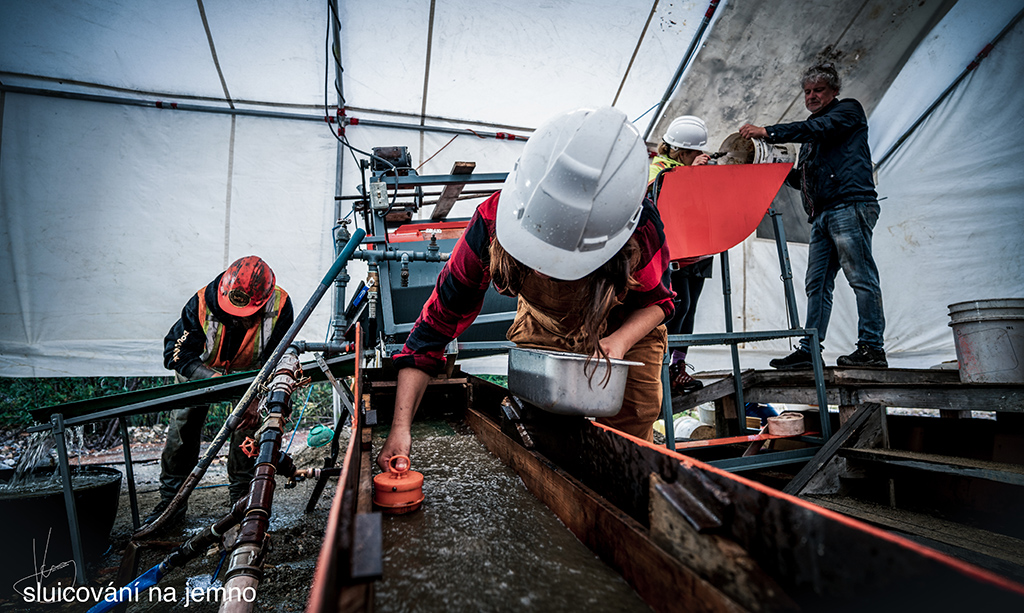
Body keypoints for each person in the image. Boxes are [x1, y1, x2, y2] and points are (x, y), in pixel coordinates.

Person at [377, 107, 675, 471]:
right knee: (545, 441)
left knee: (625, 456)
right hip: (543, 327)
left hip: (627, 336)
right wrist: (400, 429)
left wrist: (620, 342)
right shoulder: (490, 222)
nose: (544, 271)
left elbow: (659, 302)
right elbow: (434, 327)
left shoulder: (638, 227)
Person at [739, 62, 886, 369]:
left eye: (819, 90)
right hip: (823, 213)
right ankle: (809, 351)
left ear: (835, 91)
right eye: (807, 91)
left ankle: (872, 347)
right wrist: (772, 170)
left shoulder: (847, 111)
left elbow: (816, 127)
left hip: (849, 204)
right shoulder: (812, 134)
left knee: (861, 277)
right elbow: (803, 178)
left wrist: (769, 132)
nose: (812, 96)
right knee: (816, 283)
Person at [148, 255, 294, 524]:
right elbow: (175, 354)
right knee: (183, 430)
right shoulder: (202, 302)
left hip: (252, 376)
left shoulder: (280, 305)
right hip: (201, 371)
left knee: (249, 434)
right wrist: (214, 379)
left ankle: (242, 503)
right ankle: (170, 506)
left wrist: (256, 398)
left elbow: (280, 358)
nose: (239, 319)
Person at [648, 115, 714, 394]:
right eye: (694, 152)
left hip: (697, 248)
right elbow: (659, 194)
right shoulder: (660, 169)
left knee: (690, 311)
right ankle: (664, 369)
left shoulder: (689, 166)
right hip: (675, 249)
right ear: (680, 151)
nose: (699, 155)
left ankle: (679, 365)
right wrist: (690, 174)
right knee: (679, 307)